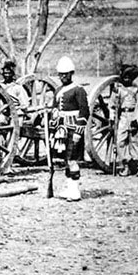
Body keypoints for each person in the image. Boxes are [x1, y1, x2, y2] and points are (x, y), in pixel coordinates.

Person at [52, 56, 89, 201]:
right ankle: (69, 188)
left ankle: (75, 191)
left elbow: (84, 111)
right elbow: (55, 107)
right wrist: (54, 113)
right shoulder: (58, 90)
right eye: (60, 74)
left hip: (74, 129)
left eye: (65, 74)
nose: (63, 77)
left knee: (73, 159)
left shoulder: (78, 90)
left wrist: (79, 131)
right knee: (65, 159)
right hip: (62, 129)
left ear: (71, 73)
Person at [114, 64, 138, 177]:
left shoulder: (137, 91)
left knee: (137, 141)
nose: (127, 79)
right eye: (125, 77)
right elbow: (113, 105)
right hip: (124, 116)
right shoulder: (119, 90)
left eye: (129, 77)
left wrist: (137, 120)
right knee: (120, 141)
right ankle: (126, 165)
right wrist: (112, 116)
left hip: (134, 116)